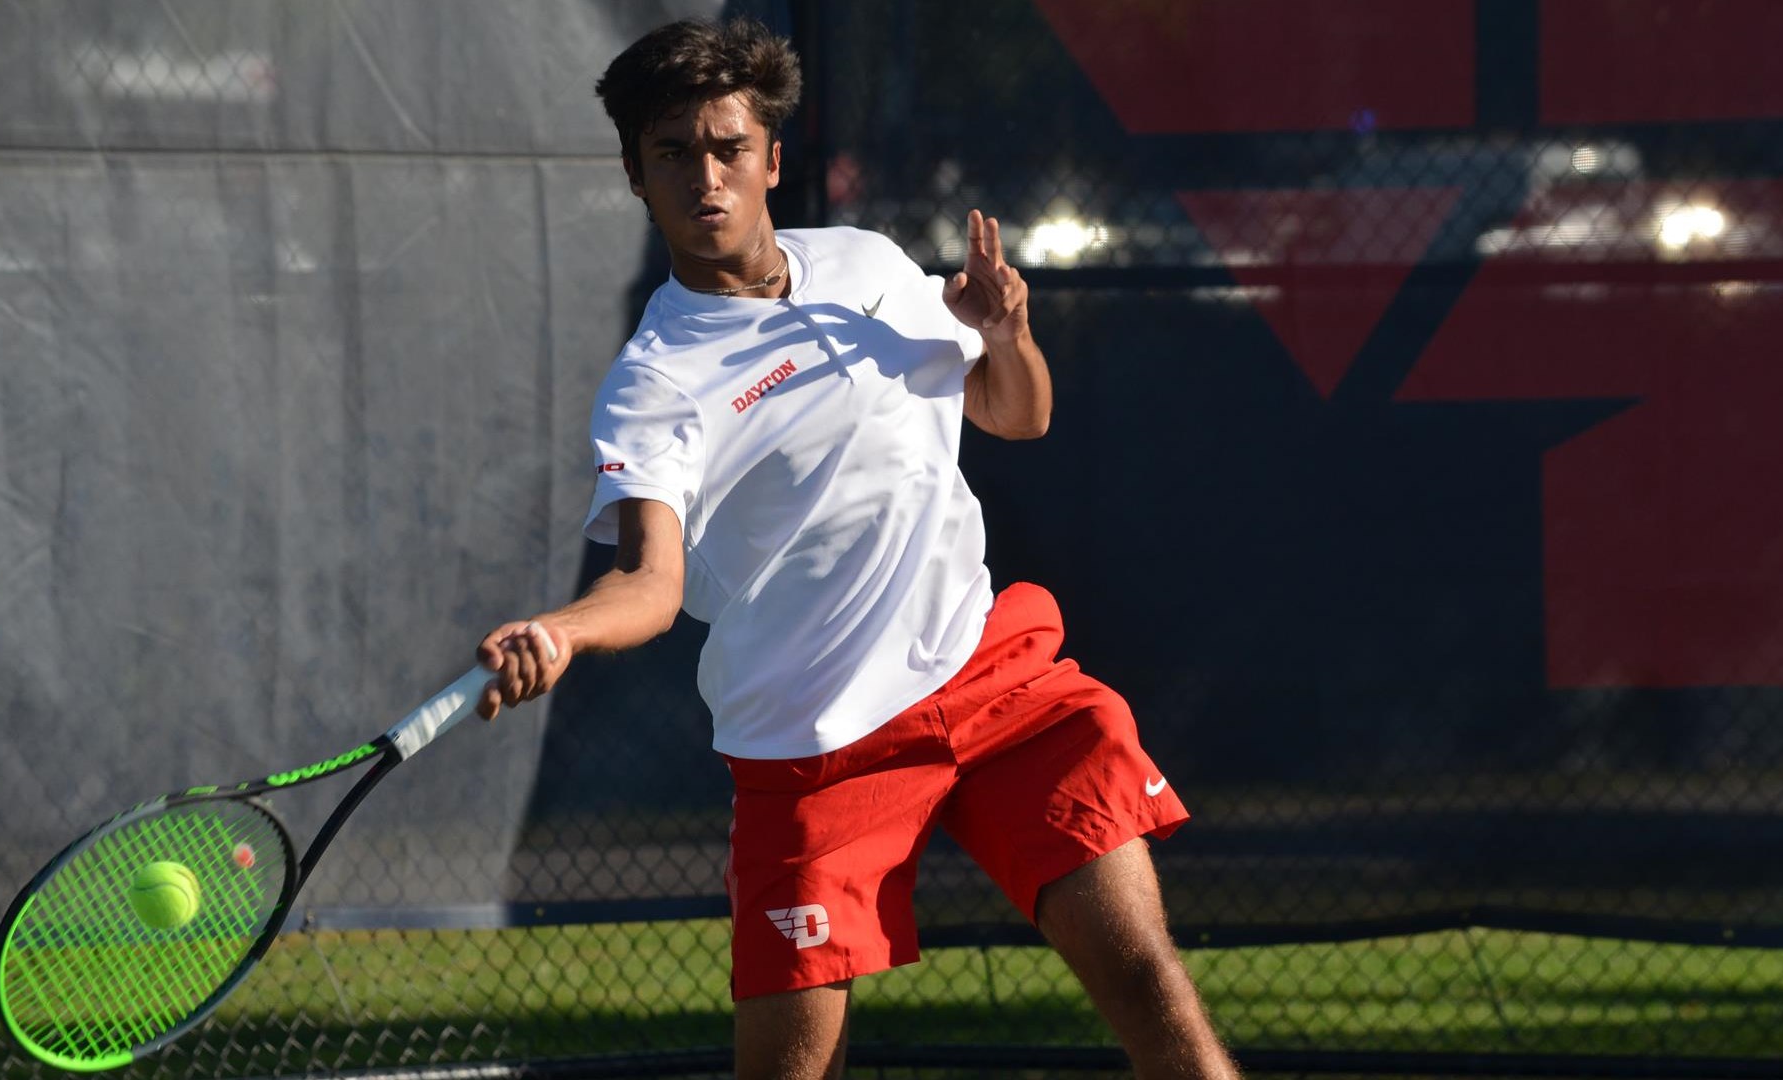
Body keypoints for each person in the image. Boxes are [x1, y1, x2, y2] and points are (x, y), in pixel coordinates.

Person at [473, 17, 1239, 1080]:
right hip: (818, 744)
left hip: (992, 679)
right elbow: (652, 583)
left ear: (770, 159)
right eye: (672, 154)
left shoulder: (869, 266)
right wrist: (559, 632)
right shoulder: (653, 384)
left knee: (1145, 975)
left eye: (728, 148)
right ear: (636, 175)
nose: (706, 176)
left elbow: (1017, 417)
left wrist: (1007, 334)